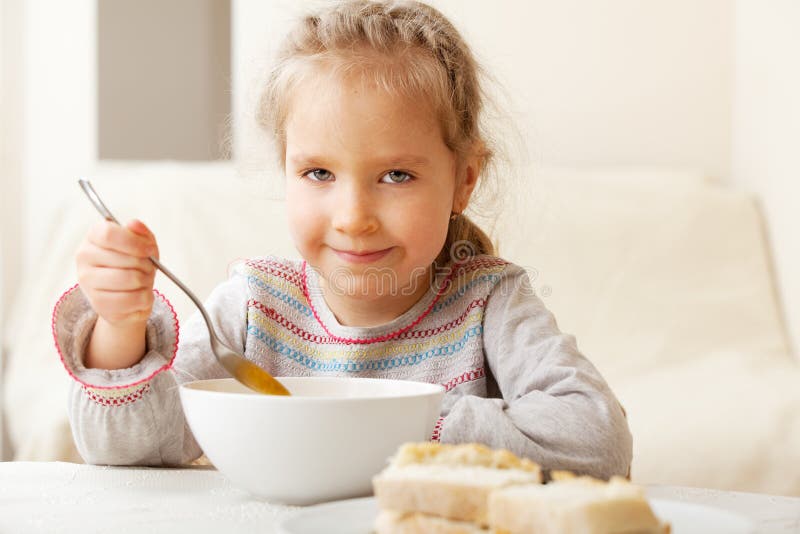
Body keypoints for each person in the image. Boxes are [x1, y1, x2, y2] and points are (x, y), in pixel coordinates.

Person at [53, 0, 632, 479]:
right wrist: (121, 328)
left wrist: (385, 418)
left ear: (463, 180)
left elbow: (595, 445)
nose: (353, 216)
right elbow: (127, 448)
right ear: (286, 171)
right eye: (319, 174)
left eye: (396, 175)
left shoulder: (491, 305)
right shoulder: (254, 307)